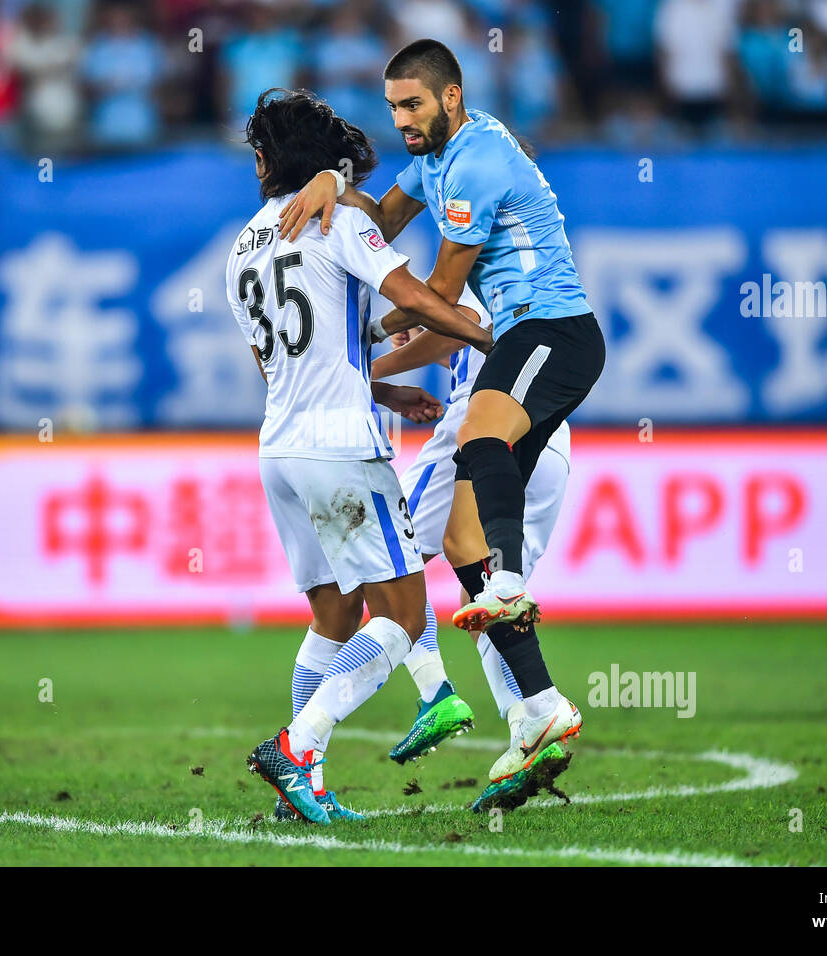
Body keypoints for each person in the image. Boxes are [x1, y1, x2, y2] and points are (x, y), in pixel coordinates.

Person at [277, 38, 601, 789]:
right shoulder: (433, 164)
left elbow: (442, 294)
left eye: (413, 104)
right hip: (522, 347)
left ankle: (441, 675)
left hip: (550, 331)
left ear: (451, 96)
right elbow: (377, 223)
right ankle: (538, 706)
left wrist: (358, 343)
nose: (401, 120)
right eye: (392, 107)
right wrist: (332, 179)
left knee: (427, 524)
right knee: (462, 538)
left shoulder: (478, 162)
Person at [229, 89, 493, 825]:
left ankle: (295, 792)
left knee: (334, 616)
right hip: (342, 452)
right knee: (405, 618)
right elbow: (419, 295)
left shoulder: (241, 248)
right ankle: (298, 744)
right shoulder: (338, 220)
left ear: (267, 162)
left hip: (279, 450)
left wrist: (384, 390)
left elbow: (283, 364)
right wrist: (489, 338)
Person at [372, 295, 575, 812]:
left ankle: (435, 694)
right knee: (487, 592)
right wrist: (425, 340)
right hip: (547, 437)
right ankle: (532, 718)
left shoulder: (467, 241)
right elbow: (479, 337)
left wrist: (368, 370)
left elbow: (465, 324)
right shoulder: (530, 273)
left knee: (390, 553)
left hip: (483, 424)